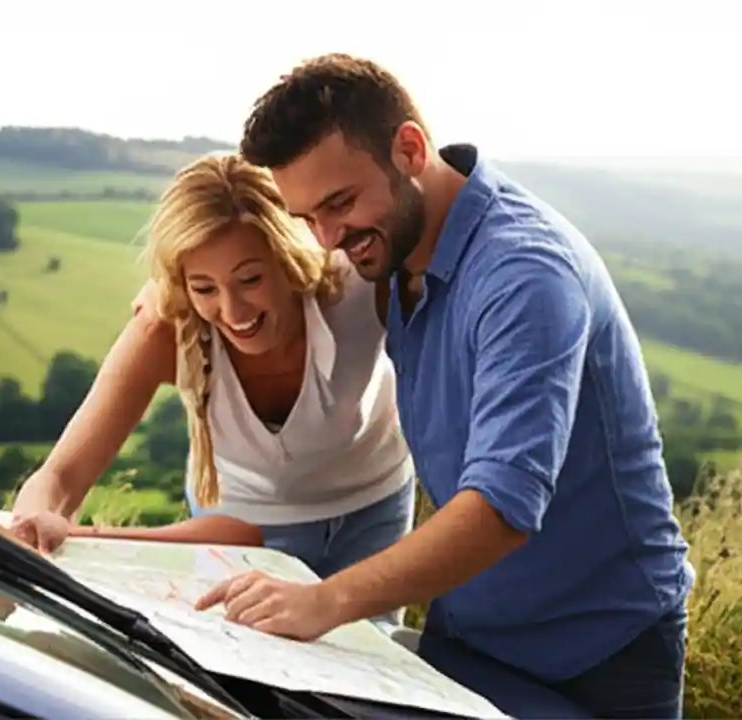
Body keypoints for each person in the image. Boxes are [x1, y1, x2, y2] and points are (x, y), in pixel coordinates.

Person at [193, 54, 695, 719]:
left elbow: (503, 505)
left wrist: (326, 600)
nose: (330, 240)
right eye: (308, 217)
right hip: (467, 630)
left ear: (409, 148)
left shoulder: (523, 275)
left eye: (340, 203)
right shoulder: (392, 252)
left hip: (599, 651)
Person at [8, 152, 416, 625]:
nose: (234, 311)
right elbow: (59, 477)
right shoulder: (164, 331)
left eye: (251, 279)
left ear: (287, 257)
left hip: (372, 513)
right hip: (239, 528)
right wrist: (34, 525)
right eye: (205, 288)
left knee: (369, 666)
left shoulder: (359, 288)